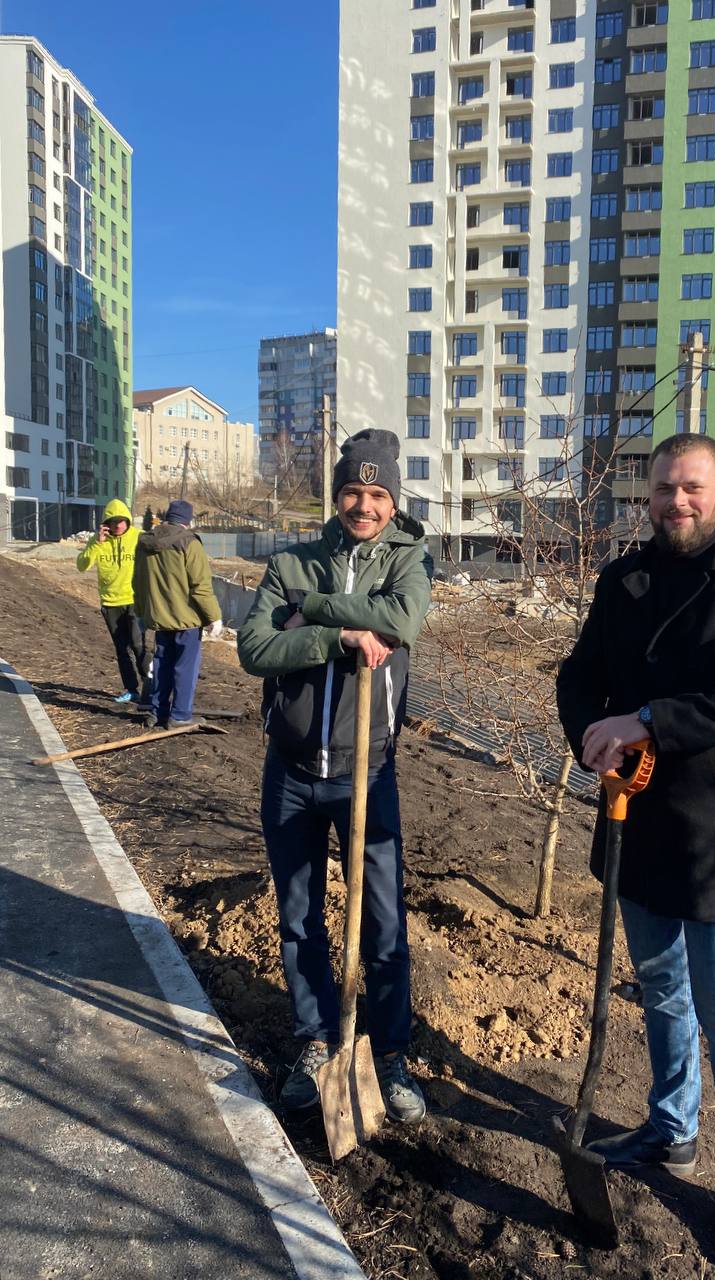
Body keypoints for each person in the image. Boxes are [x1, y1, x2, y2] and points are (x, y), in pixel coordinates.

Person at [556, 434, 715, 1279]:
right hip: (635, 825)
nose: (677, 502)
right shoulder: (623, 580)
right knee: (661, 992)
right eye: (665, 488)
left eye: (692, 487)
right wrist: (591, 736)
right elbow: (579, 675)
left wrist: (648, 721)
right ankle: (672, 1129)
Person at [237, 428, 433, 1126]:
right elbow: (255, 648)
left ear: (393, 501)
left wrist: (314, 609)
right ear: (337, 495)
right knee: (299, 918)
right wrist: (338, 636)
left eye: (377, 494)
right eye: (353, 491)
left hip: (366, 774)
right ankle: (317, 1041)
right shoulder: (292, 561)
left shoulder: (410, 560)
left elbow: (401, 618)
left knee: (382, 923)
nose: (364, 505)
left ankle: (391, 1055)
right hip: (291, 772)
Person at [133, 499, 222, 729]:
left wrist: (141, 612)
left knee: (161, 664)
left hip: (159, 618)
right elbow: (201, 586)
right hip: (187, 620)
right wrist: (214, 617)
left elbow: (138, 581)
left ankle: (157, 712)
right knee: (185, 667)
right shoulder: (189, 543)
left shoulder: (145, 542)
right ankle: (180, 716)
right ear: (187, 520)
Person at [76, 498, 152, 704]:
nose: (117, 525)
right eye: (113, 521)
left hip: (135, 601)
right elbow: (82, 565)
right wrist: (97, 544)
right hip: (110, 603)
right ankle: (131, 689)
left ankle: (150, 686)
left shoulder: (139, 538)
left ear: (127, 520)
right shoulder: (98, 541)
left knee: (139, 644)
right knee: (122, 648)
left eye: (121, 520)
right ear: (106, 524)